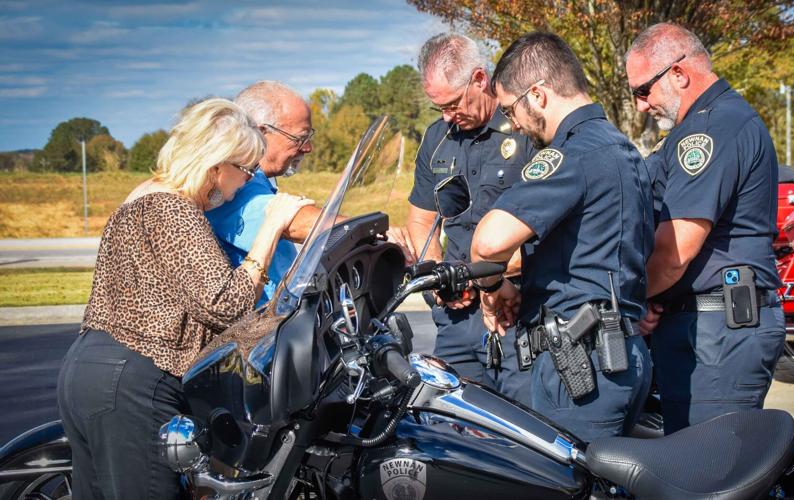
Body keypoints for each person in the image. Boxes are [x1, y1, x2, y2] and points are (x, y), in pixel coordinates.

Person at [57, 98, 313, 499]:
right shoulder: (172, 207)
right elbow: (224, 303)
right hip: (135, 381)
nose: (246, 181)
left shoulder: (144, 196)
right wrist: (271, 227)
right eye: (244, 169)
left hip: (91, 371)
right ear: (215, 166)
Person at [471, 32, 654, 442]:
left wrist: (491, 285)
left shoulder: (572, 153)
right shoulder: (622, 148)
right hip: (620, 355)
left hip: (579, 365)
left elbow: (488, 241)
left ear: (537, 95)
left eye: (510, 110)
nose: (512, 124)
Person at [625, 23, 785, 434]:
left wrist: (631, 299)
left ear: (678, 74)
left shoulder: (712, 128)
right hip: (704, 328)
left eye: (643, 91)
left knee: (709, 473)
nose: (642, 106)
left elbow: (675, 251)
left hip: (719, 334)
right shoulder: (698, 126)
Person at [406, 33, 536, 404]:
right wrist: (436, 275)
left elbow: (552, 231)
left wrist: (489, 275)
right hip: (457, 319)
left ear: (480, 79)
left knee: (525, 436)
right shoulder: (437, 139)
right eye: (439, 108)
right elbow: (420, 220)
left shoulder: (526, 130)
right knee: (457, 431)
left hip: (516, 312)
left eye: (453, 104)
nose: (448, 116)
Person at [206, 81, 415, 305]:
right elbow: (296, 222)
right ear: (261, 132)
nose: (308, 148)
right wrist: (372, 229)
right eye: (300, 138)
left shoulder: (257, 182)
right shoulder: (231, 185)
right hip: (255, 331)